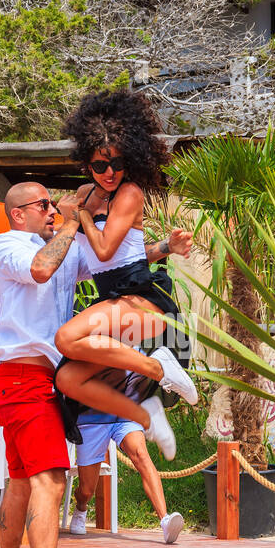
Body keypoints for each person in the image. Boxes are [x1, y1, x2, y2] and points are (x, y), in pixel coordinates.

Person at [0, 182, 186, 548]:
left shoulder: (63, 245)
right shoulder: (10, 243)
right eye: (44, 205)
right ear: (18, 213)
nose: (53, 209)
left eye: (54, 204)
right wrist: (74, 219)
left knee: (20, 481)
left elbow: (109, 260)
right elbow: (40, 269)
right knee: (51, 481)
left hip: (37, 379)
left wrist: (161, 248)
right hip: (23, 375)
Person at [53, 90, 199, 423]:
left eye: (117, 163)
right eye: (100, 165)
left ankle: (158, 366)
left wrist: (80, 217)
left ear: (129, 160)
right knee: (67, 379)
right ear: (86, 163)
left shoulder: (129, 193)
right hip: (111, 300)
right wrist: (164, 248)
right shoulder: (84, 194)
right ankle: (145, 418)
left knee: (65, 338)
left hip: (140, 300)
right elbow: (120, 257)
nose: (109, 172)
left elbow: (103, 248)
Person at [69, 385, 184, 544]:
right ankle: (81, 508)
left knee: (141, 455)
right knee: (87, 490)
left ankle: (165, 520)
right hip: (91, 417)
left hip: (123, 411)